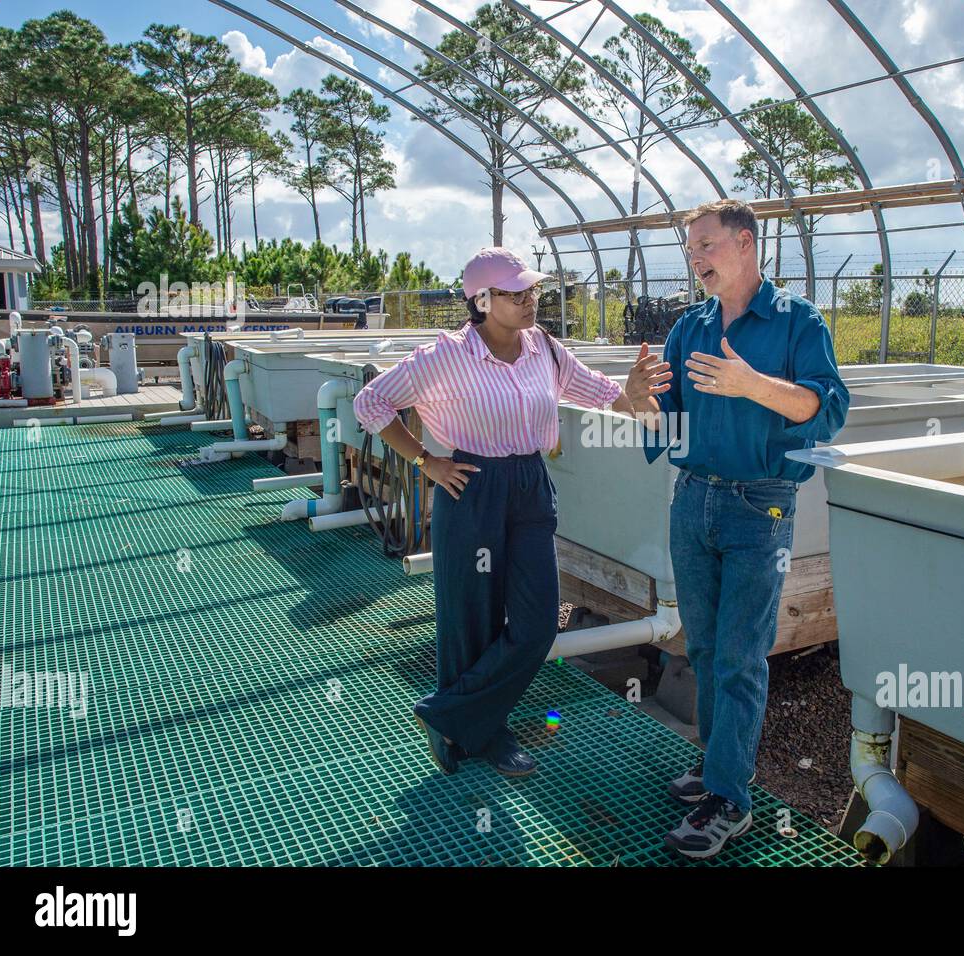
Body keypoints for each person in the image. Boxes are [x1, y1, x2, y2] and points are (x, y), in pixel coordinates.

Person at [352, 247, 645, 777]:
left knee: (535, 624)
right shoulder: (443, 356)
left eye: (532, 290)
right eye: (517, 293)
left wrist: (634, 396)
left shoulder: (545, 351)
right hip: (471, 485)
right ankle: (481, 732)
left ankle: (446, 715)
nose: (531, 300)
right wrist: (426, 461)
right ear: (482, 301)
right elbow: (370, 404)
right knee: (470, 618)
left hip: (529, 484)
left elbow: (601, 393)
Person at [624, 199, 850, 859]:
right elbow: (662, 423)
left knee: (740, 657)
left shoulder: (796, 321)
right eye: (690, 250)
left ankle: (732, 799)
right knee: (701, 648)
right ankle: (717, 765)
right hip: (691, 500)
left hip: (762, 505)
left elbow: (825, 409)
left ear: (745, 244)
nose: (695, 259)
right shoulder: (689, 328)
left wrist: (752, 384)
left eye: (706, 245)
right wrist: (636, 397)